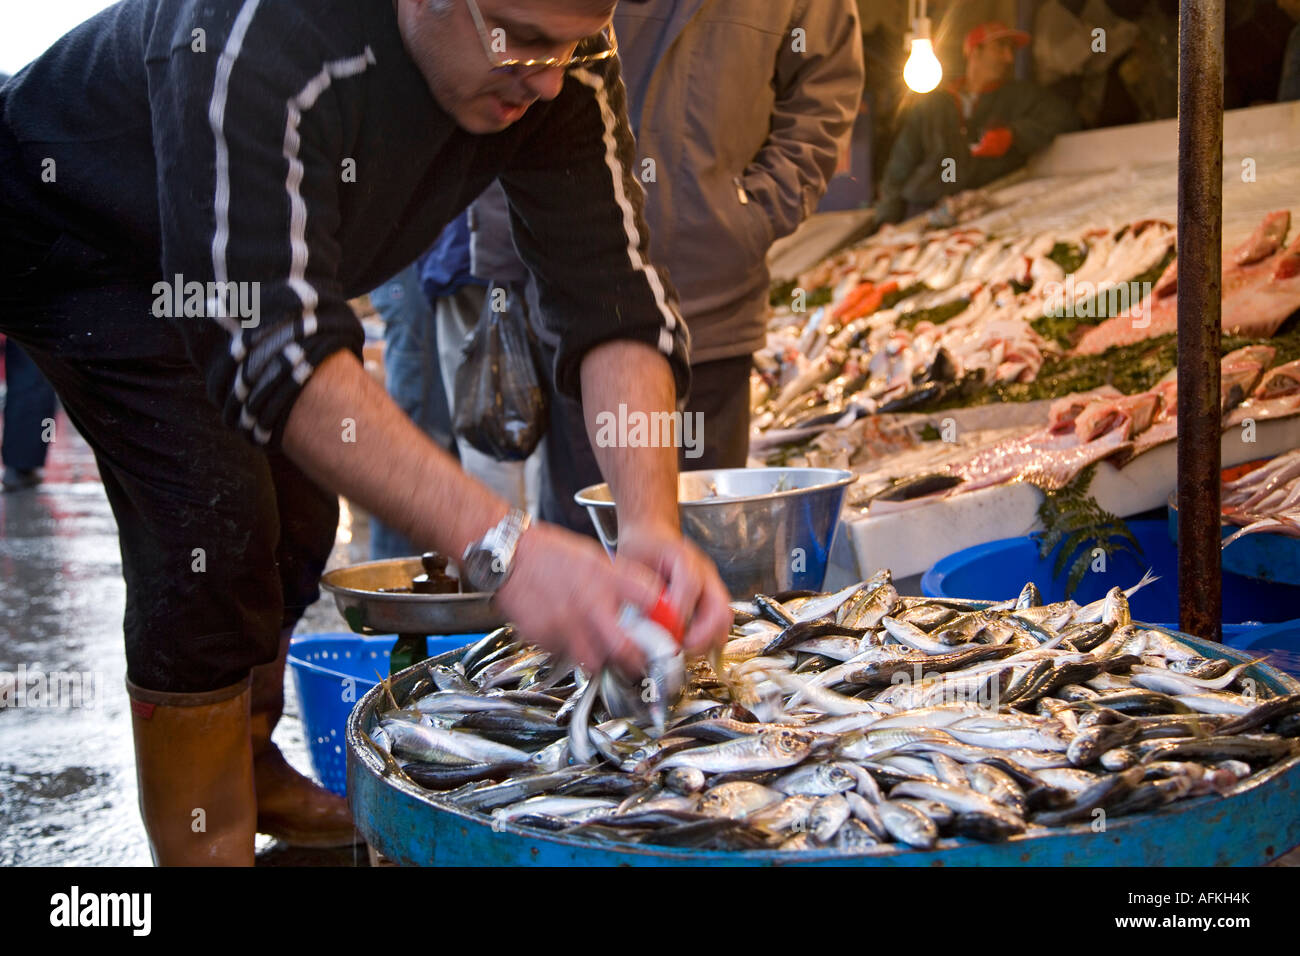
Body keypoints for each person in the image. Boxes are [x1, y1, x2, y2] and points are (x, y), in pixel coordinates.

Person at [0, 0, 730, 865]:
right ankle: (206, 838)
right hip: (88, 243)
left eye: (570, 47)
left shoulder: (563, 48)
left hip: (252, 256)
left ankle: (247, 755)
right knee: (213, 525)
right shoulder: (257, 30)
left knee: (301, 512)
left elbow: (612, 288)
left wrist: (647, 524)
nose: (547, 76)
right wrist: (507, 549)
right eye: (523, 41)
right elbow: (268, 349)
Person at [472, 0, 865, 533]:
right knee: (589, 539)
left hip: (715, 310)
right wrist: (501, 269)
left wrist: (755, 210)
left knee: (714, 545)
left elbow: (826, 90)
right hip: (577, 308)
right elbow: (517, 89)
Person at [874, 20, 1078, 225]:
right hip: (922, 209)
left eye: (1011, 49)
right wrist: (886, 221)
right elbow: (899, 166)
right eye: (1000, 47)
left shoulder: (1022, 96)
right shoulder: (931, 104)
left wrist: (1014, 135)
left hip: (988, 208)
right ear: (974, 52)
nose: (1009, 57)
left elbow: (1066, 120)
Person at [367, 220, 473, 560]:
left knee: (453, 436)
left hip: (439, 258)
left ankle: (440, 582)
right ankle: (397, 582)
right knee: (419, 435)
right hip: (415, 257)